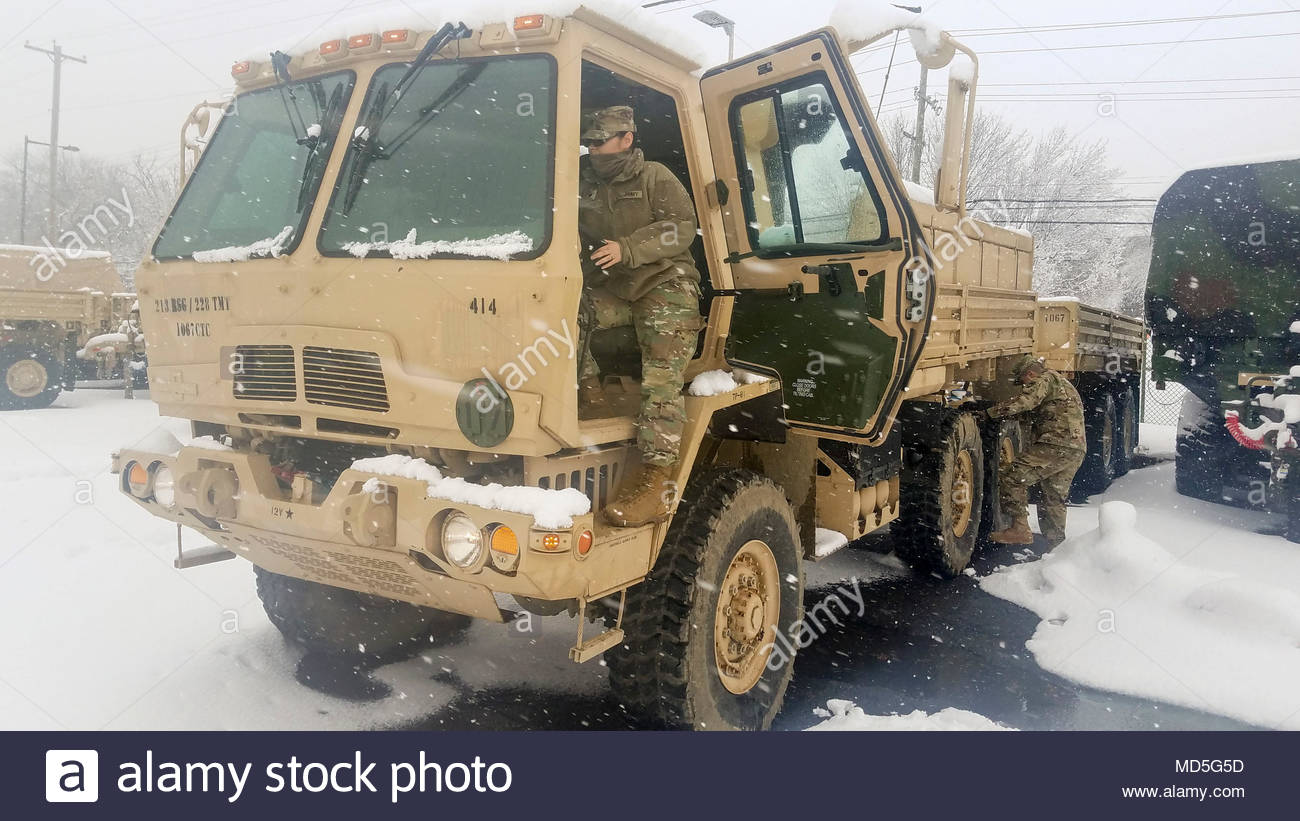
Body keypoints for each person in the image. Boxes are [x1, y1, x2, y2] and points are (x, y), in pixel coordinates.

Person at [576, 105, 703, 527]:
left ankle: (655, 479)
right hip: (614, 285)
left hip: (664, 280)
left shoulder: (655, 177)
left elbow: (680, 228)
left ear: (627, 139)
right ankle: (590, 395)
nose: (594, 149)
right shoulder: (582, 178)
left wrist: (628, 248)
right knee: (564, 312)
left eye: (601, 141)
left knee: (662, 372)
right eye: (589, 142)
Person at [984, 354, 1087, 546]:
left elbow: (1025, 402)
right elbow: (1037, 413)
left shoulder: (1044, 378)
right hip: (1075, 448)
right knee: (1053, 499)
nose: (1023, 387)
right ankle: (1057, 549)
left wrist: (989, 414)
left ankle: (1020, 529)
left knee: (1013, 477)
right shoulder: (1061, 384)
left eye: (1023, 382)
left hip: (1056, 445)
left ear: (1030, 374)